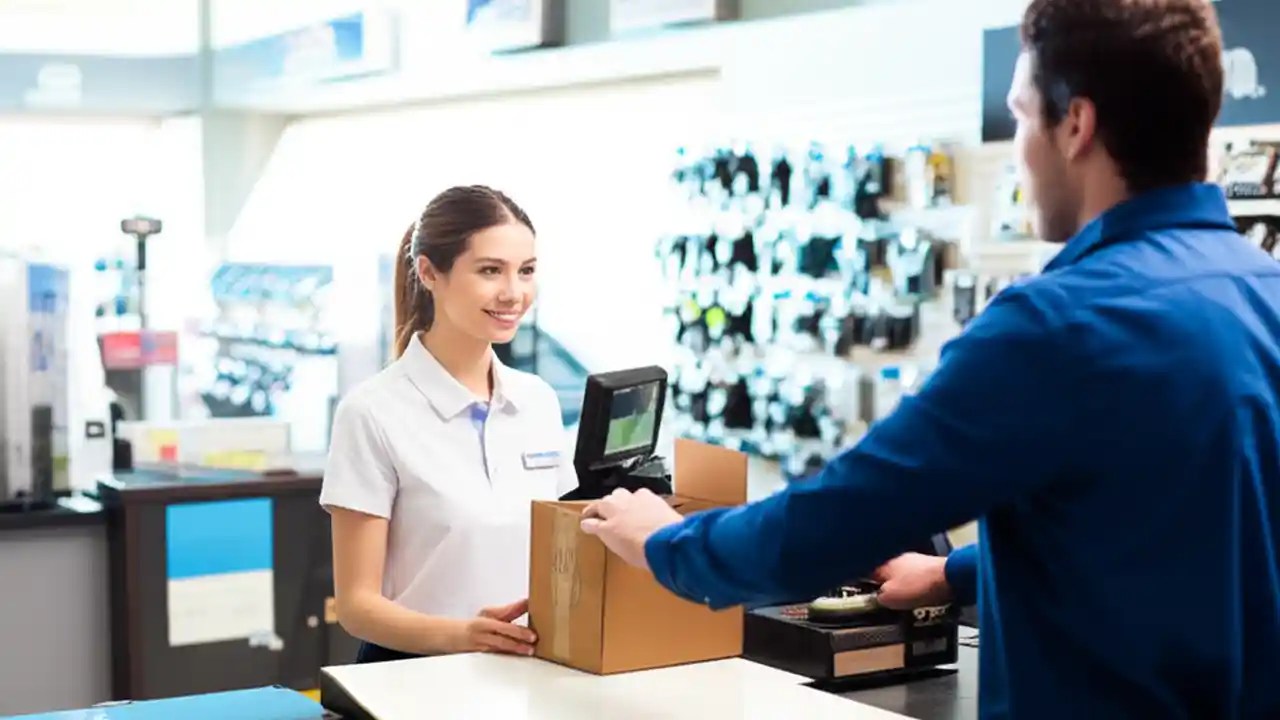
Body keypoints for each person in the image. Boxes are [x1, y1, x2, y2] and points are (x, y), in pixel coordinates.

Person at [580, 1, 1280, 717]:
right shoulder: (1262, 293)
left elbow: (833, 524)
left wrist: (667, 543)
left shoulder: (1058, 326)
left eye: (1019, 115)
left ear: (1076, 126)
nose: (1016, 150)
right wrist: (955, 572)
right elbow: (1177, 520)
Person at [321, 185, 577, 663]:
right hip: (413, 679)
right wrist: (466, 635)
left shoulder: (537, 401)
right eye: (489, 271)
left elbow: (561, 555)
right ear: (429, 273)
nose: (513, 293)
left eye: (526, 271)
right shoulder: (372, 413)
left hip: (526, 671)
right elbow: (357, 607)